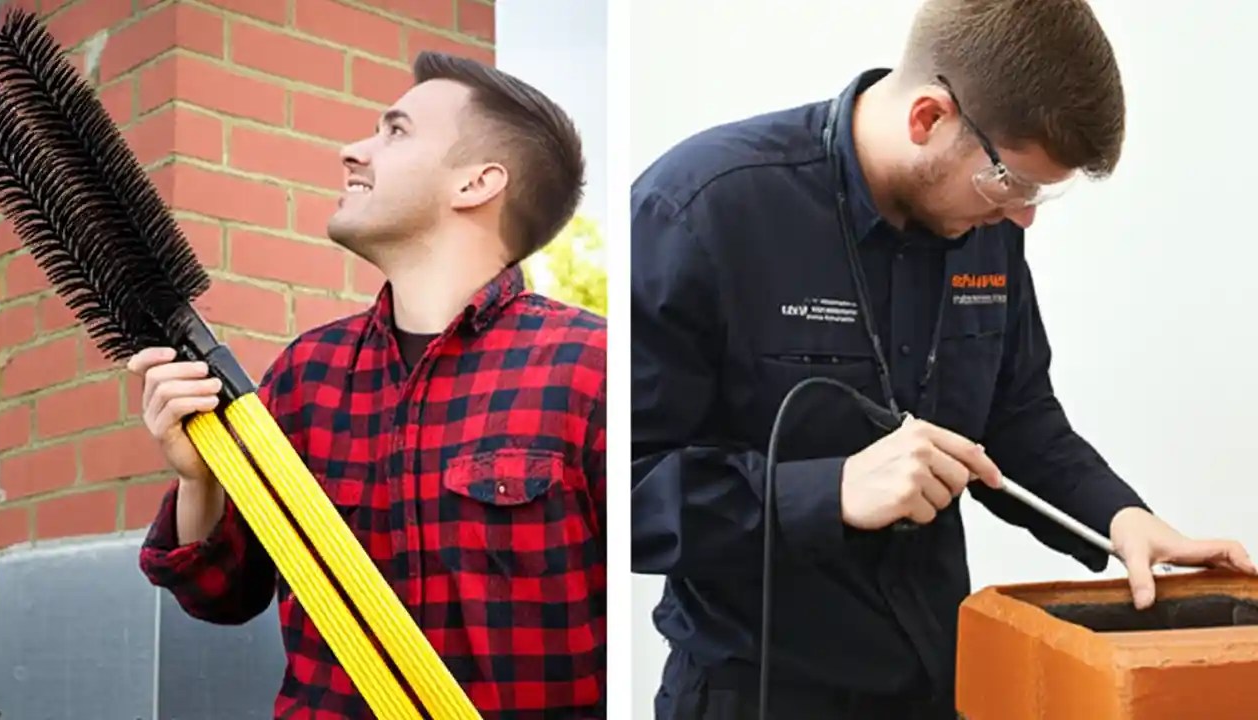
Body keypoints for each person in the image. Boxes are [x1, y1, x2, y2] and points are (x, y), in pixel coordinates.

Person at [629, 1, 1255, 718]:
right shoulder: (700, 210)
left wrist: (1119, 518)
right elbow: (624, 493)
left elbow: (1015, 415)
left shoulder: (982, 219)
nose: (1023, 216)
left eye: (1041, 193)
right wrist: (825, 492)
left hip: (937, 683)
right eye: (1013, 184)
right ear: (929, 118)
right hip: (757, 690)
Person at [130, 51, 607, 719]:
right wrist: (199, 479)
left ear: (476, 183)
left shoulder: (593, 368)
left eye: (396, 131)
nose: (351, 151)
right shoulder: (306, 374)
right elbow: (221, 594)